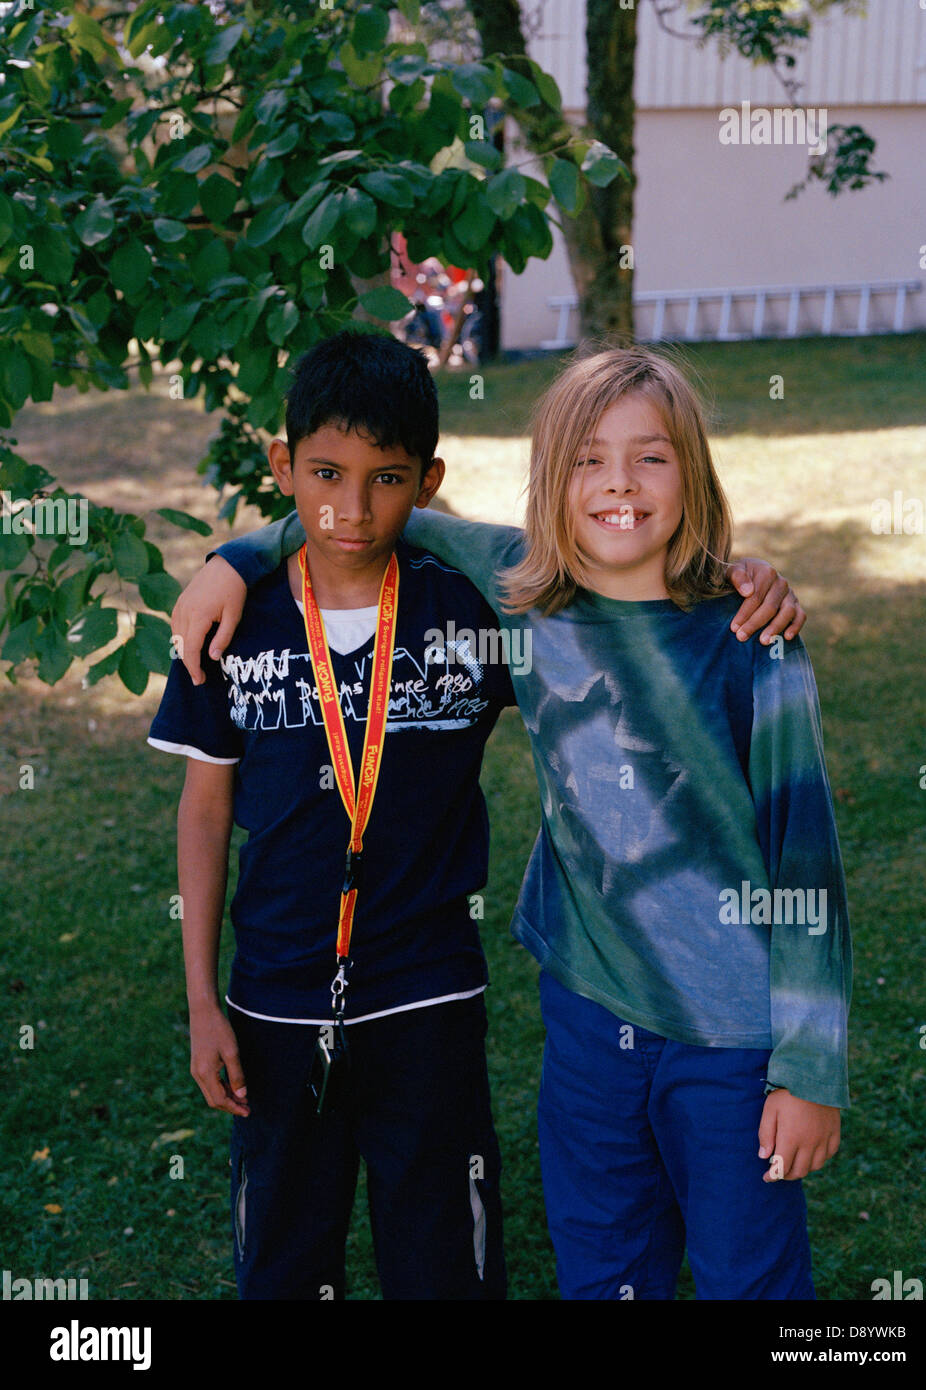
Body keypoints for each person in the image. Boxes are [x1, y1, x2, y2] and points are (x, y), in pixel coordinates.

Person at [171, 343, 834, 1302]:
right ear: (547, 484)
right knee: (604, 1264)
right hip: (587, 1015)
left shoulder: (752, 638)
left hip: (732, 1035)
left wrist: (809, 1061)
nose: (617, 485)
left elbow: (807, 864)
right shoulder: (527, 587)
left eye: (651, 457)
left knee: (752, 1277)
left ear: (694, 468)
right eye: (585, 460)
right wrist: (238, 556)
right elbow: (375, 511)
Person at [148, 329, 520, 1300]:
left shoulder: (469, 611)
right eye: (324, 473)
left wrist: (737, 574)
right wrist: (202, 1002)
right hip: (272, 993)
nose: (351, 508)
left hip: (428, 989)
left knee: (443, 1259)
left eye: (388, 479)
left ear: (428, 480)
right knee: (281, 1258)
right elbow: (203, 811)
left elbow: (615, 584)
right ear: (282, 465)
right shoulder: (230, 618)